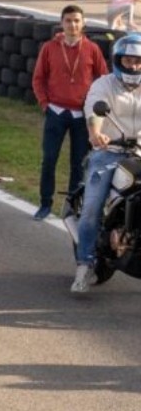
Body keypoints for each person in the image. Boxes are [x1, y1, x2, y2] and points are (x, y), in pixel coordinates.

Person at [69, 33, 141, 293]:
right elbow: (93, 113)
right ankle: (85, 266)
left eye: (138, 61)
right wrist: (95, 134)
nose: (133, 65)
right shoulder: (104, 85)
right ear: (118, 60)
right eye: (129, 60)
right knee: (92, 208)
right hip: (109, 151)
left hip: (139, 153)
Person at [31, 6, 109, 221]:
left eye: (76, 20)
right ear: (61, 23)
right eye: (68, 20)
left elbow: (104, 80)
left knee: (79, 163)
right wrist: (45, 104)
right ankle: (45, 203)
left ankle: (73, 207)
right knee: (49, 159)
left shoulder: (92, 49)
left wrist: (96, 109)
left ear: (83, 23)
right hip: (56, 112)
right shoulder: (49, 48)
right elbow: (38, 78)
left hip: (82, 116)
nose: (72, 25)